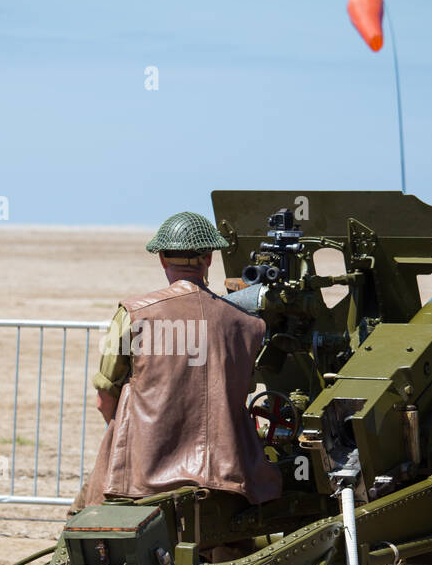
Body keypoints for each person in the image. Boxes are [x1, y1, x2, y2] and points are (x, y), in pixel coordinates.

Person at [75, 211, 282, 525]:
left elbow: (104, 398)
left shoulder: (134, 315)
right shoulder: (249, 325)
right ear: (209, 258)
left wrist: (131, 442)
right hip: (227, 480)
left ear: (162, 259)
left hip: (138, 480)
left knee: (83, 524)